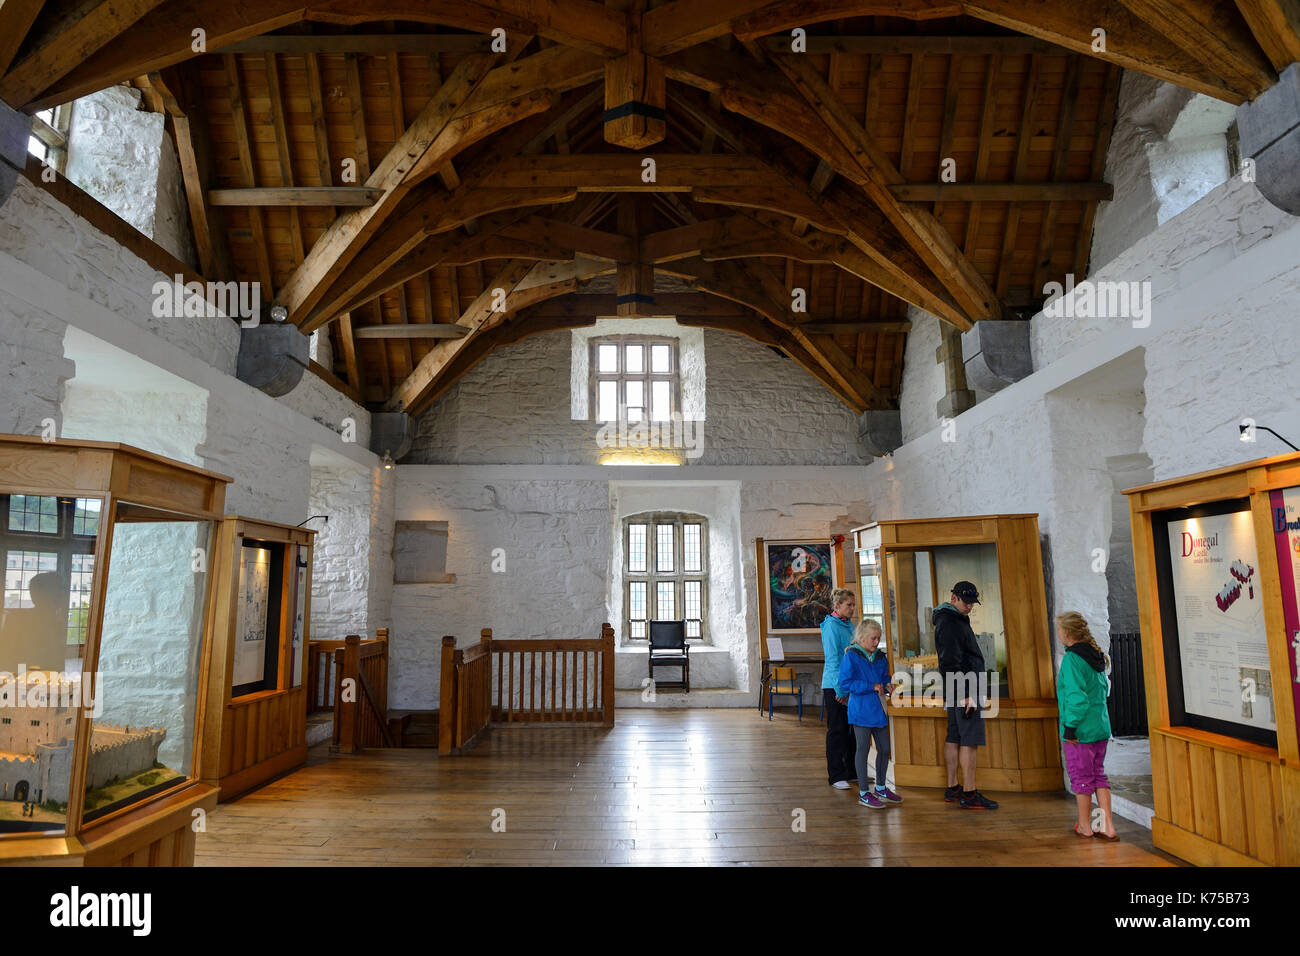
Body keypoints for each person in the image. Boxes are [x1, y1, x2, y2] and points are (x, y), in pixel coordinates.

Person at [933, 581, 998, 810]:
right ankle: (969, 793)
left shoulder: (950, 619)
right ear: (954, 598)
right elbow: (950, 659)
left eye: (972, 603)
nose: (970, 607)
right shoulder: (951, 622)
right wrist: (965, 694)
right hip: (965, 687)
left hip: (957, 687)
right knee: (969, 740)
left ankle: (952, 788)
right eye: (966, 602)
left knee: (954, 736)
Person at [1056, 611, 1119, 840]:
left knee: (1081, 778)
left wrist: (1070, 727)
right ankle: (1107, 826)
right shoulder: (1096, 654)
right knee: (1098, 776)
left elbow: (1076, 698)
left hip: (1080, 731)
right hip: (1100, 726)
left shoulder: (1072, 660)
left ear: (1066, 633)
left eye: (1059, 631)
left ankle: (1085, 825)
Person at [839, 619, 902, 808]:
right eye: (873, 638)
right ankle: (864, 792)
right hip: (860, 710)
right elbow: (846, 683)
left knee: (884, 749)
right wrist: (871, 686)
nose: (876, 642)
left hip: (879, 709)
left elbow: (884, 677)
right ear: (862, 638)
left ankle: (881, 787)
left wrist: (888, 684)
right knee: (863, 749)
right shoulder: (851, 656)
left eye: (878, 638)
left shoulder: (881, 657)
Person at [820, 588, 857, 789]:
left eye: (853, 605)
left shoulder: (848, 625)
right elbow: (833, 661)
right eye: (848, 605)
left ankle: (851, 771)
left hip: (850, 685)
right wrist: (840, 691)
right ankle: (836, 775)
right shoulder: (831, 627)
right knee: (837, 731)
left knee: (852, 732)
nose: (852, 608)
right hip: (835, 686)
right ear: (837, 606)